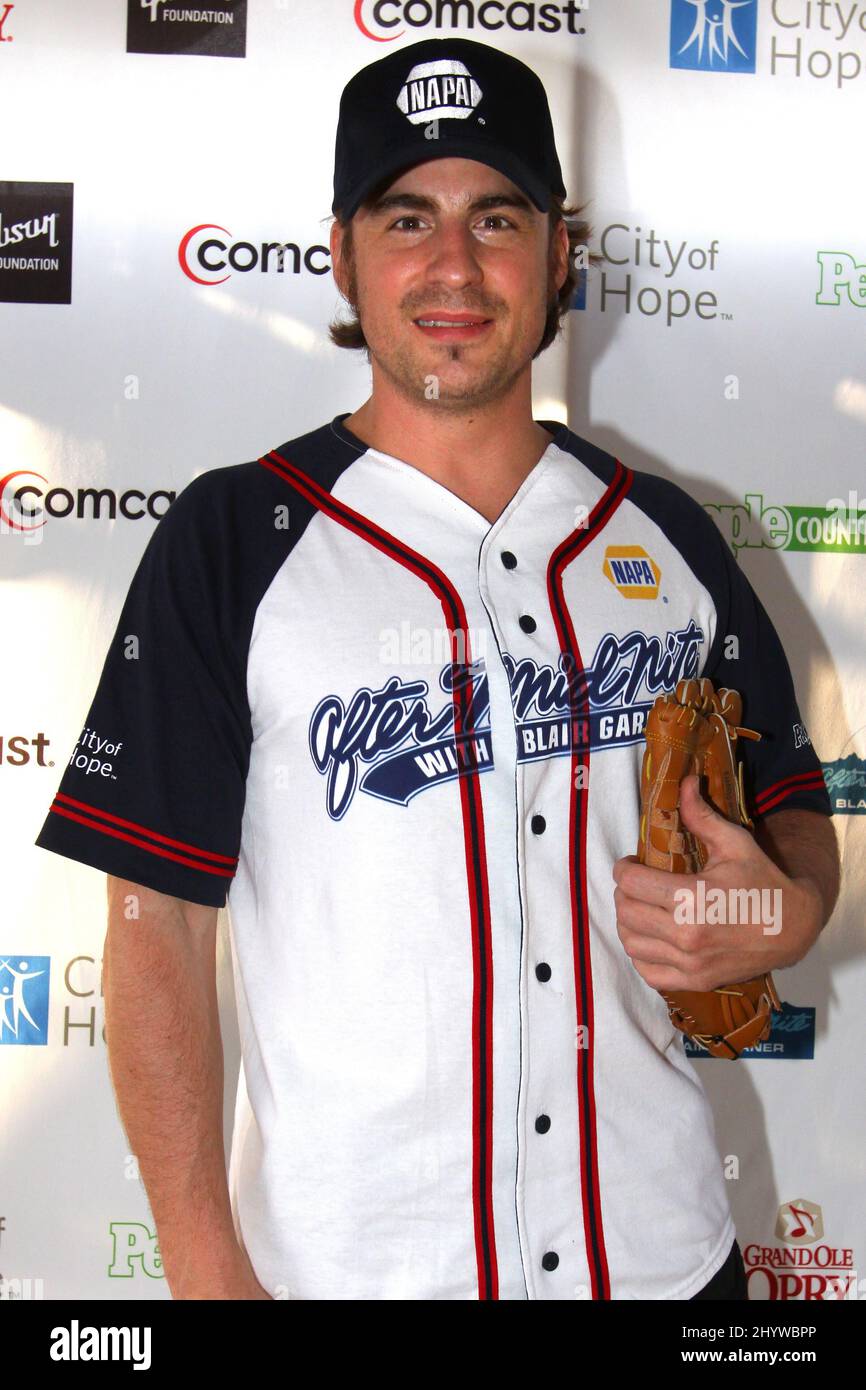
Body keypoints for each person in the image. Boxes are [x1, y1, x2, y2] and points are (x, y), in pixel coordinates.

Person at [35, 37, 839, 1301]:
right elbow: (156, 929)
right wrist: (203, 1272)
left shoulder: (664, 533)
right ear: (344, 253)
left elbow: (793, 808)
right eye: (405, 215)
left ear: (559, 254)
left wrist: (778, 912)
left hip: (664, 1265)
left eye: (496, 217)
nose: (453, 266)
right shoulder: (238, 538)